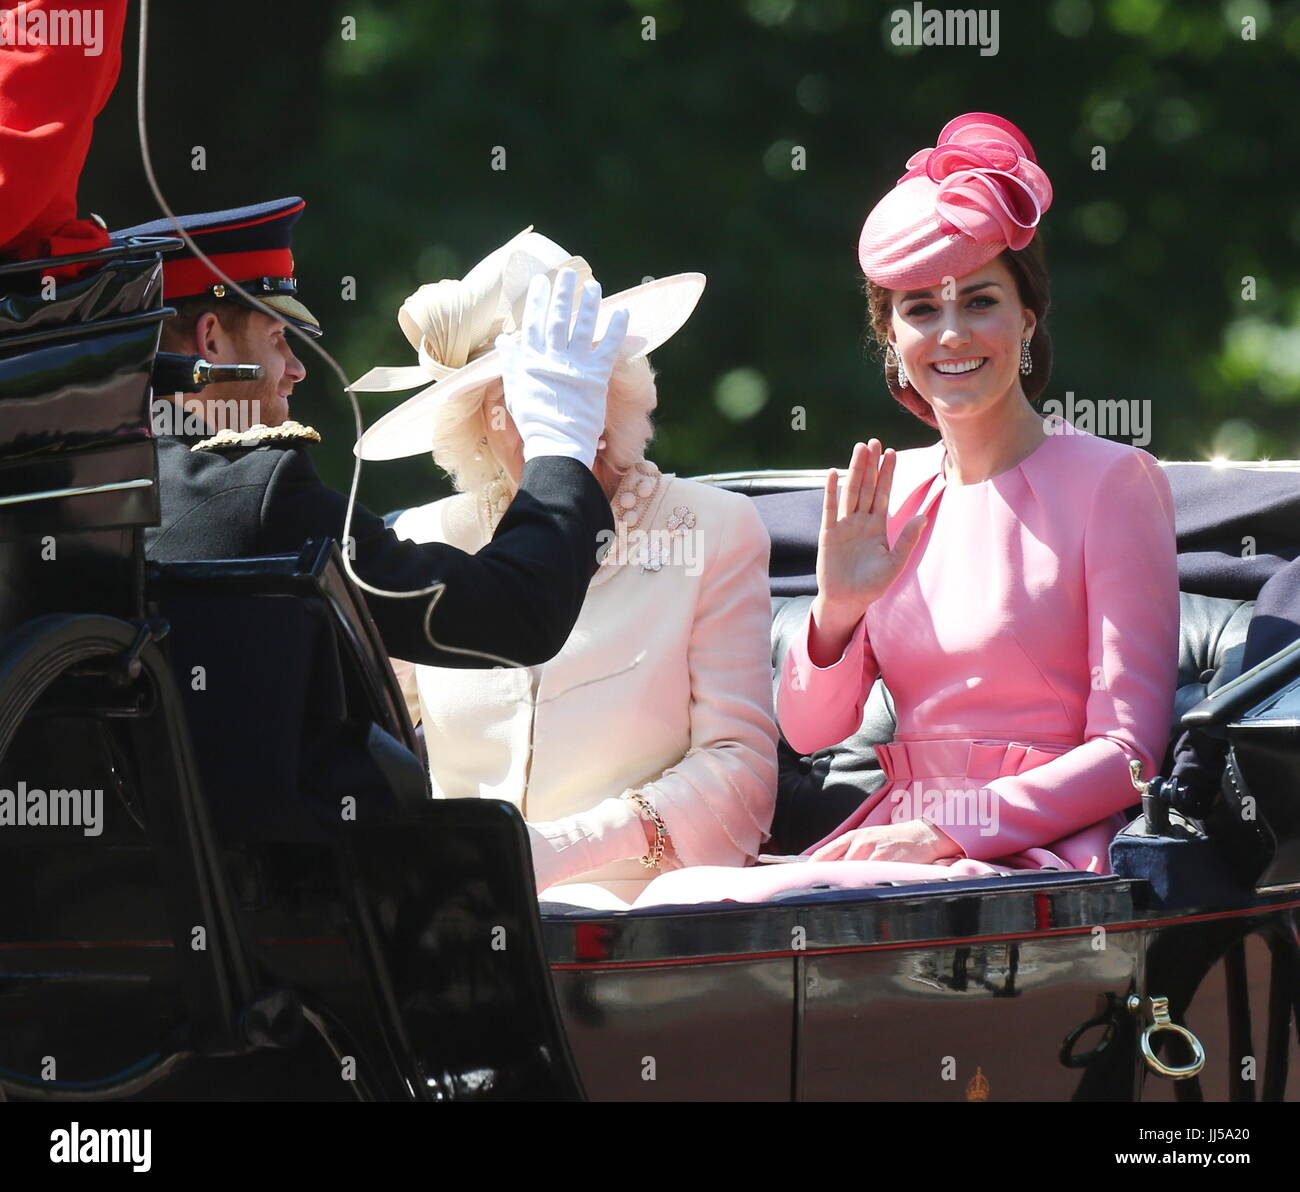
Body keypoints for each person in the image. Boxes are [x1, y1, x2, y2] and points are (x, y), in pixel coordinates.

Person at [636, 111, 1180, 907]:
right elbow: (815, 734)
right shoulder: (885, 496)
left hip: (1035, 853)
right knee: (679, 907)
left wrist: (955, 828)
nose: (952, 333)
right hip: (899, 836)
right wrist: (838, 611)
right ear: (890, 335)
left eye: (980, 301)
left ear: (1027, 319)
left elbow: (1131, 753)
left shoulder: (1113, 481)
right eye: (921, 308)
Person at [352, 230, 778, 909]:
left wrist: (569, 847)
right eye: (510, 399)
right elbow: (362, 743)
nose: (534, 419)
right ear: (478, 423)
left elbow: (742, 772)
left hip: (643, 929)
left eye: (553, 390)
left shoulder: (711, 529)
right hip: (455, 922)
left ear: (602, 394)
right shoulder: (421, 538)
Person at [113, 199, 626, 668]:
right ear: (211, 342)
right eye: (276, 339)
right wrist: (559, 445)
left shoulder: (88, 491)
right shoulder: (258, 497)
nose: (295, 369)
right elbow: (514, 615)